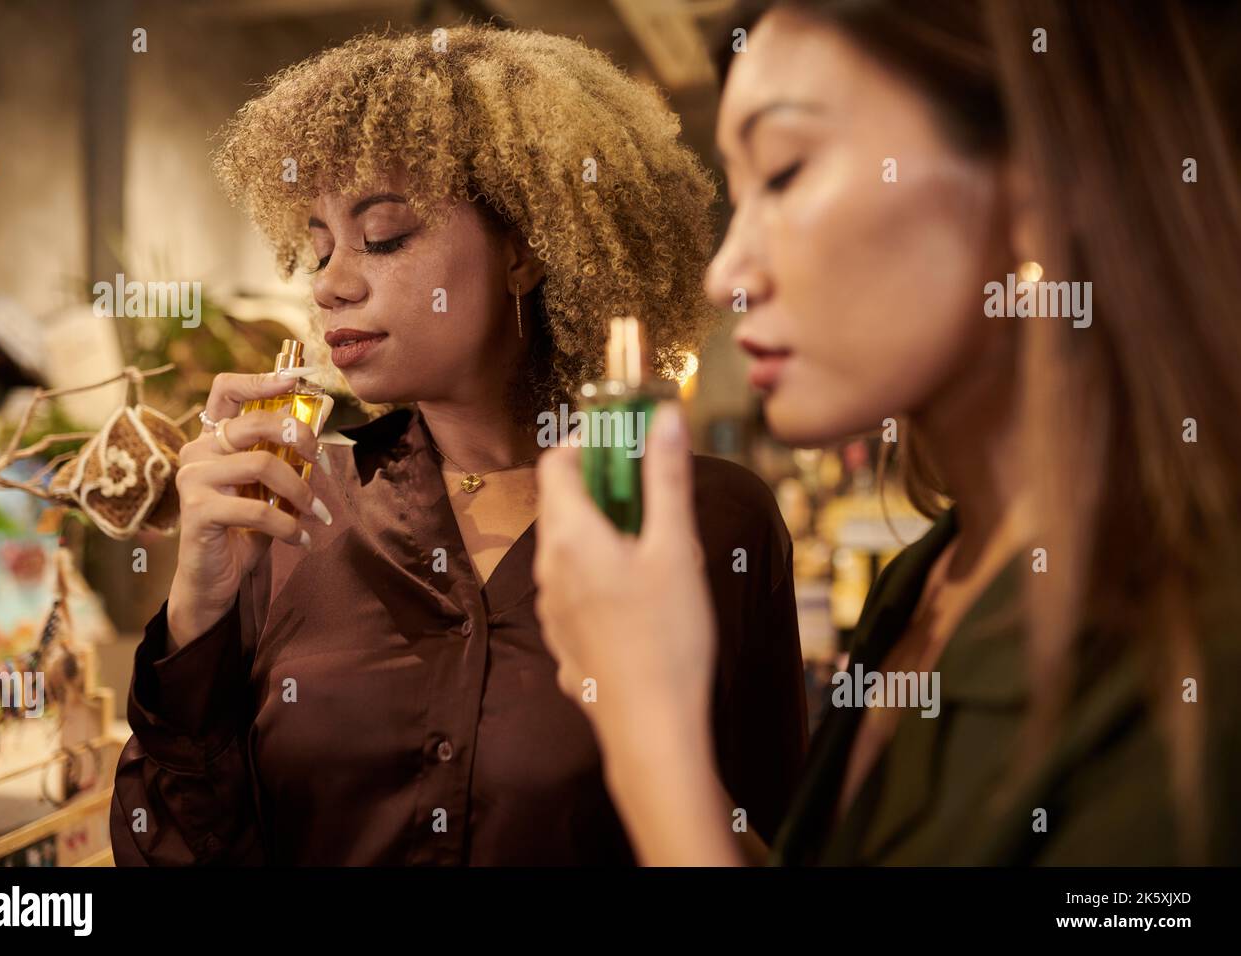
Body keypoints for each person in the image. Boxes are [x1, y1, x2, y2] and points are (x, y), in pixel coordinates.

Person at [534, 0, 1241, 865]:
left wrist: (652, 742)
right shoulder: (928, 579)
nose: (727, 276)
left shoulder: (1197, 641)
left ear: (1037, 186)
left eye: (786, 172)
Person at [109, 25, 807, 865]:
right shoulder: (291, 511)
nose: (329, 283)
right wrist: (195, 614)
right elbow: (170, 849)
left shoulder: (708, 522)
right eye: (319, 244)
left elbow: (764, 833)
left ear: (524, 250)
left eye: (385, 235)